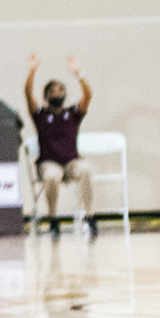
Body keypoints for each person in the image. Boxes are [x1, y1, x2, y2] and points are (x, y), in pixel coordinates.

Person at [27, 54, 96, 237]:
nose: (57, 93)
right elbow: (28, 94)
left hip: (71, 163)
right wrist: (32, 71)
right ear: (46, 95)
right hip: (50, 163)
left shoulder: (73, 113)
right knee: (51, 176)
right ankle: (53, 219)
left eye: (61, 90)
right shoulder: (40, 114)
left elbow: (88, 95)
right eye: (53, 90)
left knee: (86, 169)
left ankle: (90, 217)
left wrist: (78, 74)